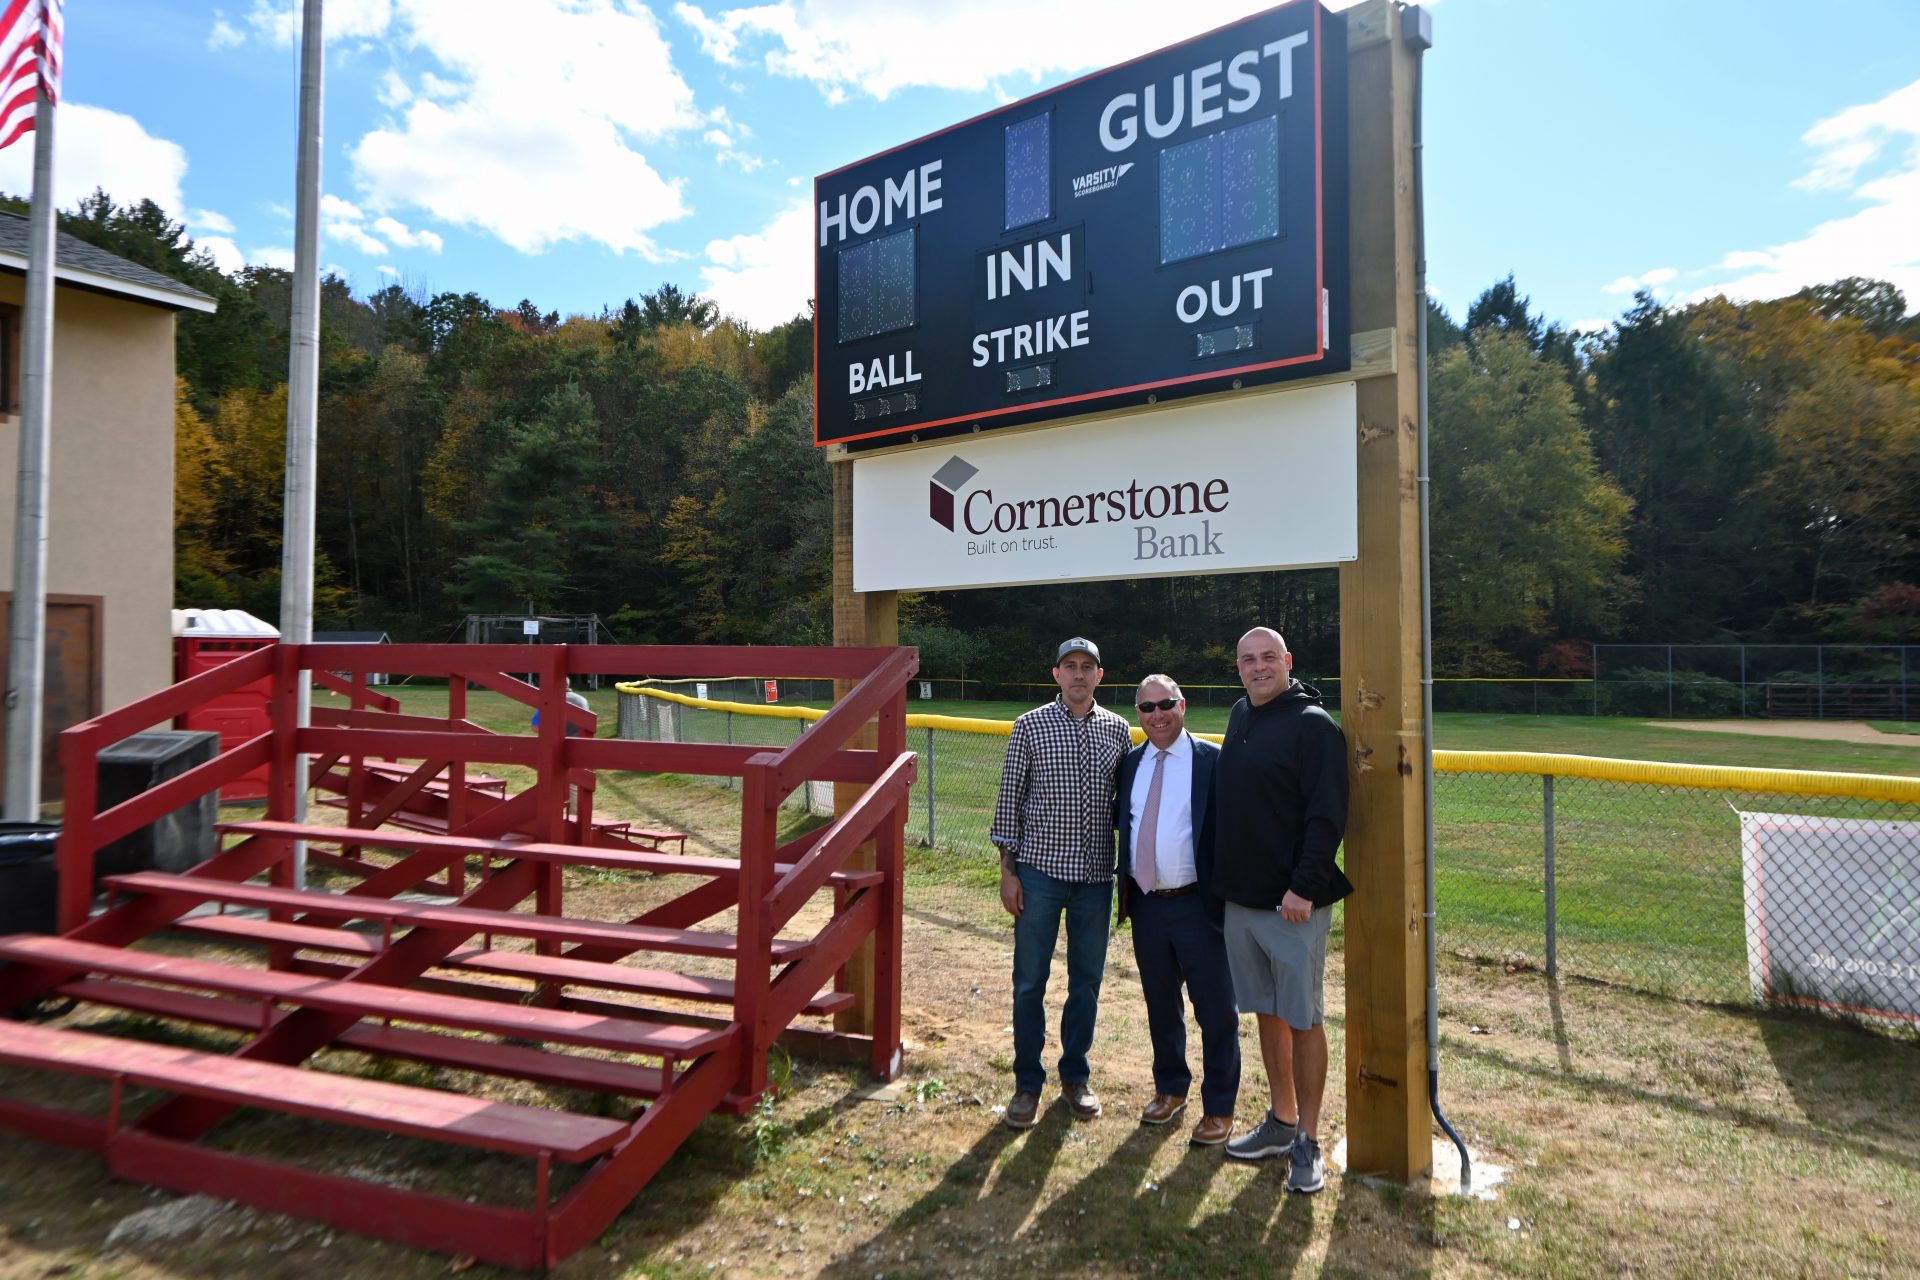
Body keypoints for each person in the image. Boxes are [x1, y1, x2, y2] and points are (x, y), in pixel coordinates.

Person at [1214, 627, 1351, 1194]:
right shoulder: (1241, 716)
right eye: (1248, 659)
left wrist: (1304, 887)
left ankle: (1309, 1141)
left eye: (1269, 657)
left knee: (1303, 1017)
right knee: (1267, 1012)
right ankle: (1281, 1119)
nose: (1258, 666)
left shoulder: (1313, 726)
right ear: (1239, 667)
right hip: (1243, 903)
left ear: (1288, 661)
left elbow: (1327, 816)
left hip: (1292, 906)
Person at [991, 636, 1134, 1129]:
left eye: (1087, 667)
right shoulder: (1030, 725)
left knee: (1086, 983)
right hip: (1040, 874)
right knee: (1030, 981)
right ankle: (1027, 1082)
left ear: (1100, 675)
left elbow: (1128, 808)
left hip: (1095, 878)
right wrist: (1008, 872)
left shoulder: (1118, 730)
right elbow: (1009, 802)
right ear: (1056, 674)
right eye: (1069, 666)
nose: (1078, 674)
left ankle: (1075, 1075)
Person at [1115, 674, 1240, 1145]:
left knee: (1215, 1011)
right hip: (1147, 905)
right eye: (1146, 708)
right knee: (1160, 1005)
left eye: (1165, 704)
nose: (1156, 715)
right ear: (1138, 714)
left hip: (1198, 906)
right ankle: (1171, 1088)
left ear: (1182, 705)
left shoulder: (1212, 761)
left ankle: (1220, 1107)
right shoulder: (1131, 763)